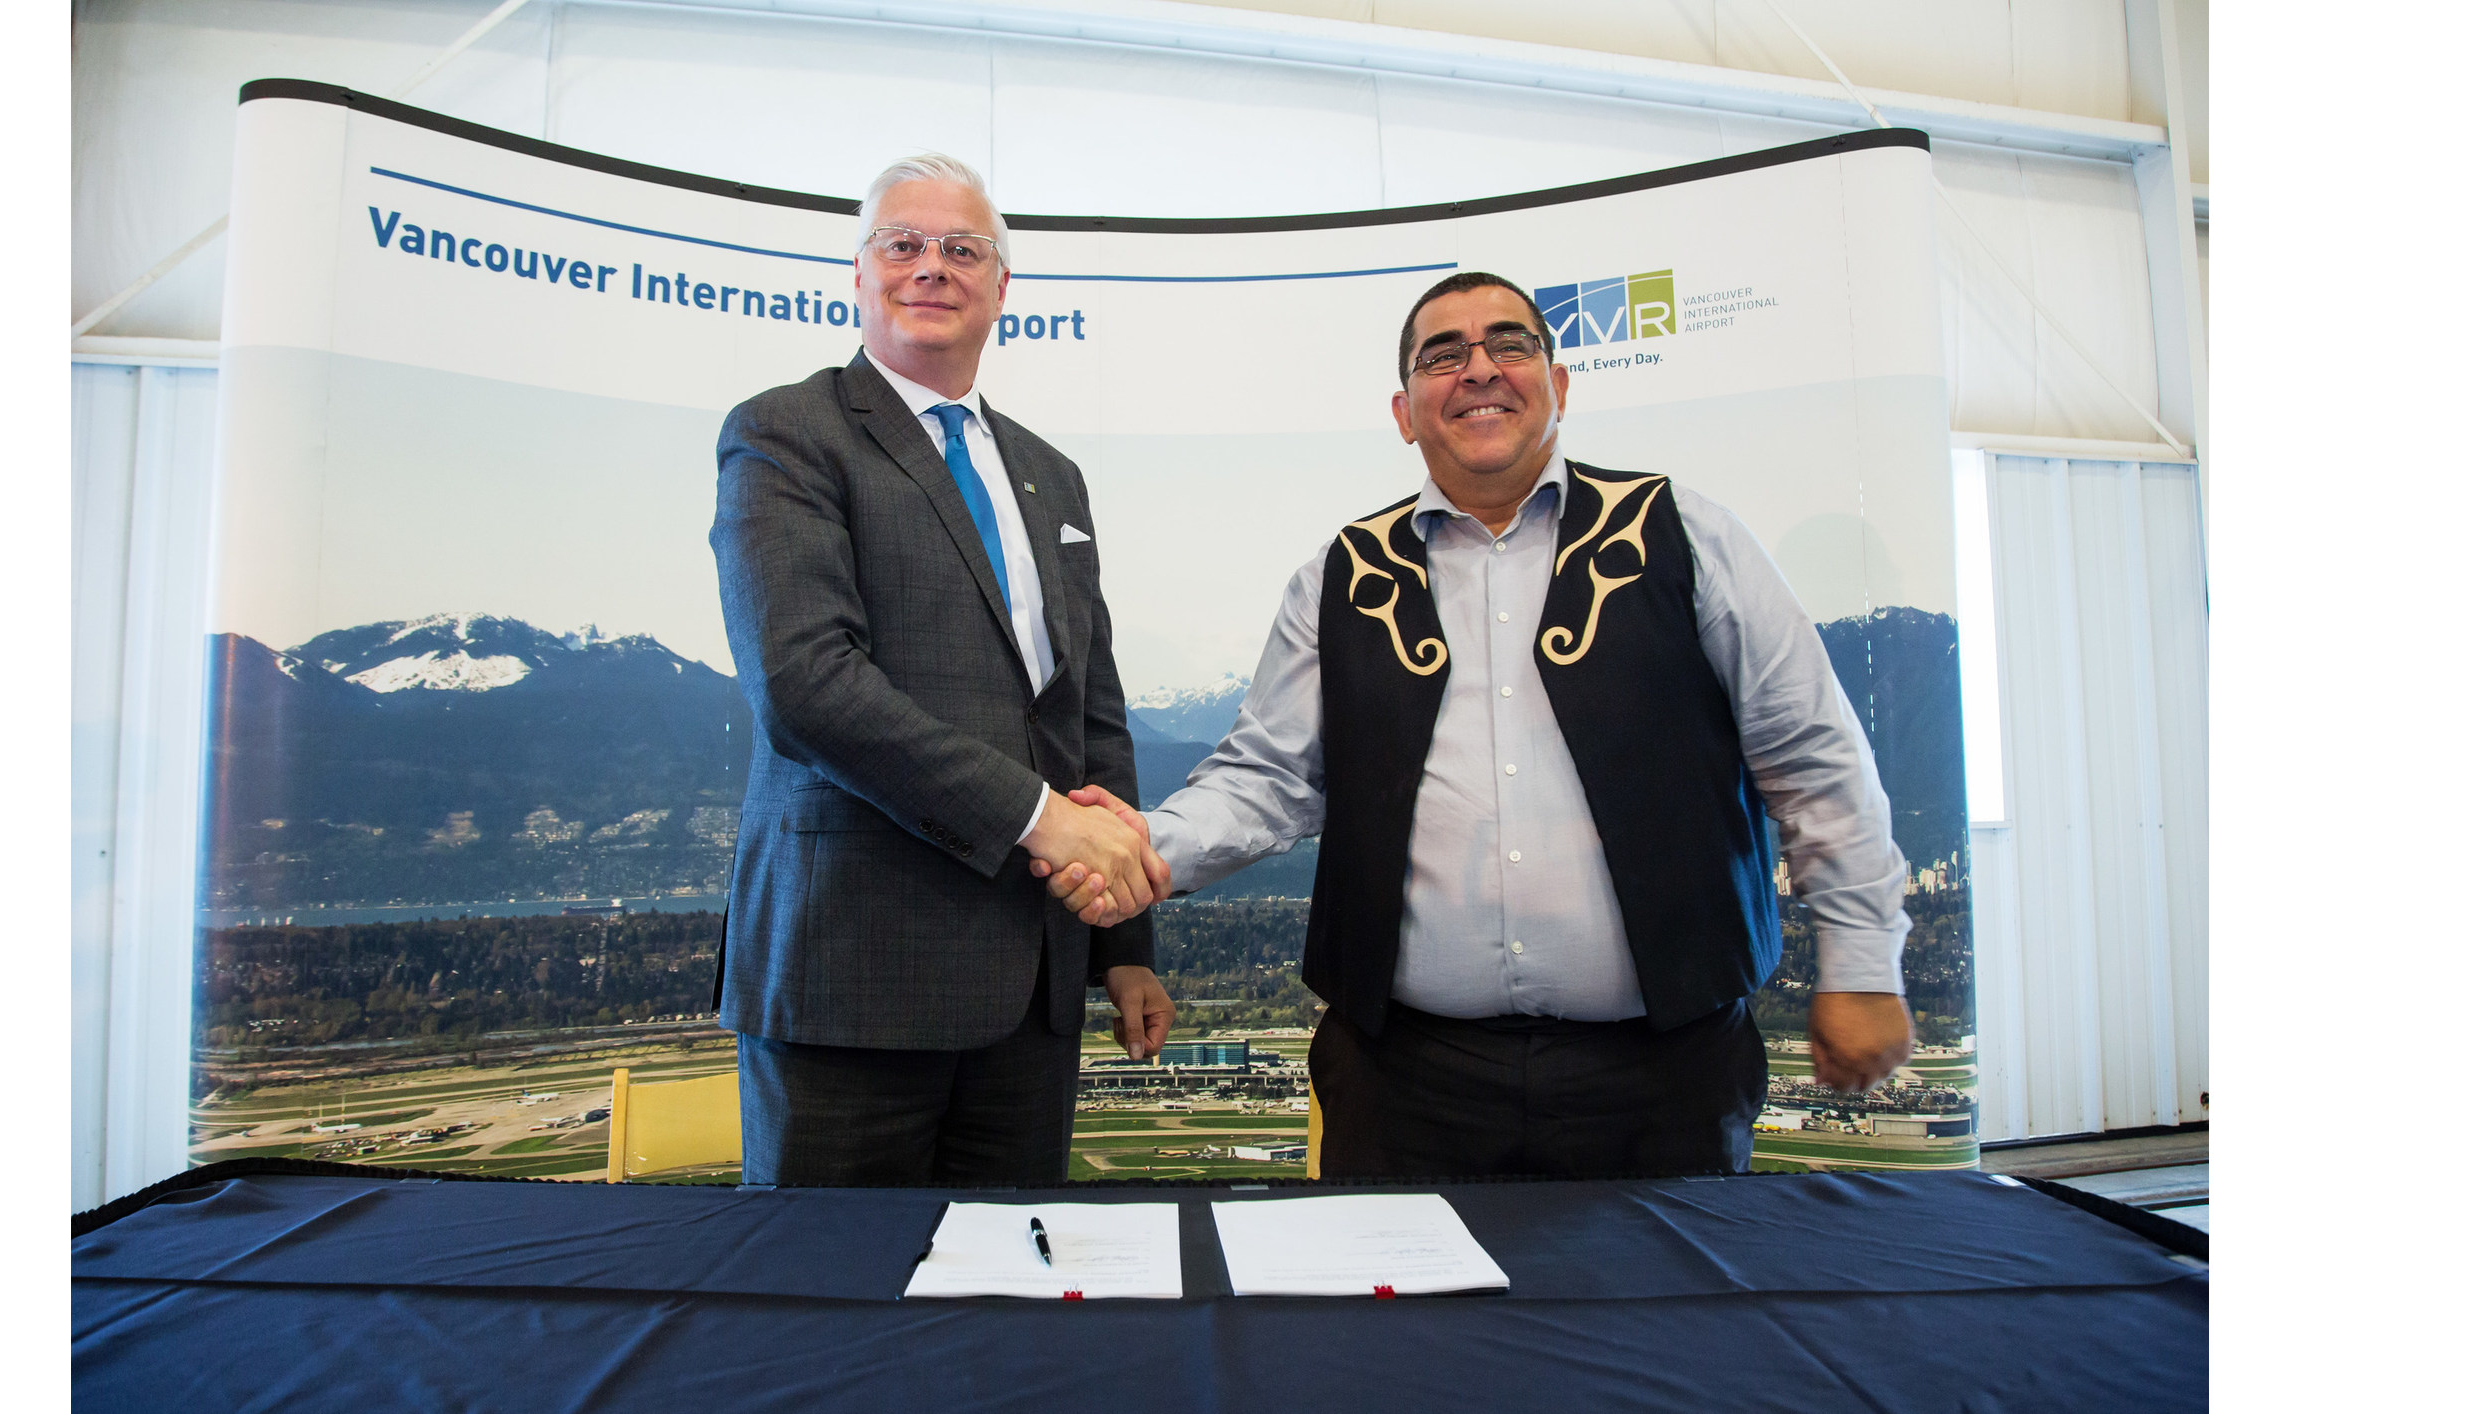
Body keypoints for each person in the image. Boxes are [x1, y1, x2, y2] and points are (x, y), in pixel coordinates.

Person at [1043, 271, 1915, 1180]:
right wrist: (1147, 847)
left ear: (1559, 383)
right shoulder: (1342, 576)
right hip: (1405, 1083)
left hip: (1666, 1076)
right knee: (1397, 1281)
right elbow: (1268, 778)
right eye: (1443, 355)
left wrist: (1862, 959)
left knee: (1662, 1280)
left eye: (1510, 343)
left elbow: (1811, 757)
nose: (1479, 369)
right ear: (1404, 412)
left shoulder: (1686, 537)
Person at [710, 154, 1176, 1186]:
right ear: (859, 272)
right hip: (851, 978)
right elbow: (806, 687)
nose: (932, 266)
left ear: (1001, 287)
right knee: (836, 1280)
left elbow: (1088, 712)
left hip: (1035, 989)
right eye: (903, 243)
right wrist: (1044, 821)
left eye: (963, 248)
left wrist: (1123, 943)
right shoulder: (786, 433)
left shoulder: (1052, 475)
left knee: (1012, 1279)